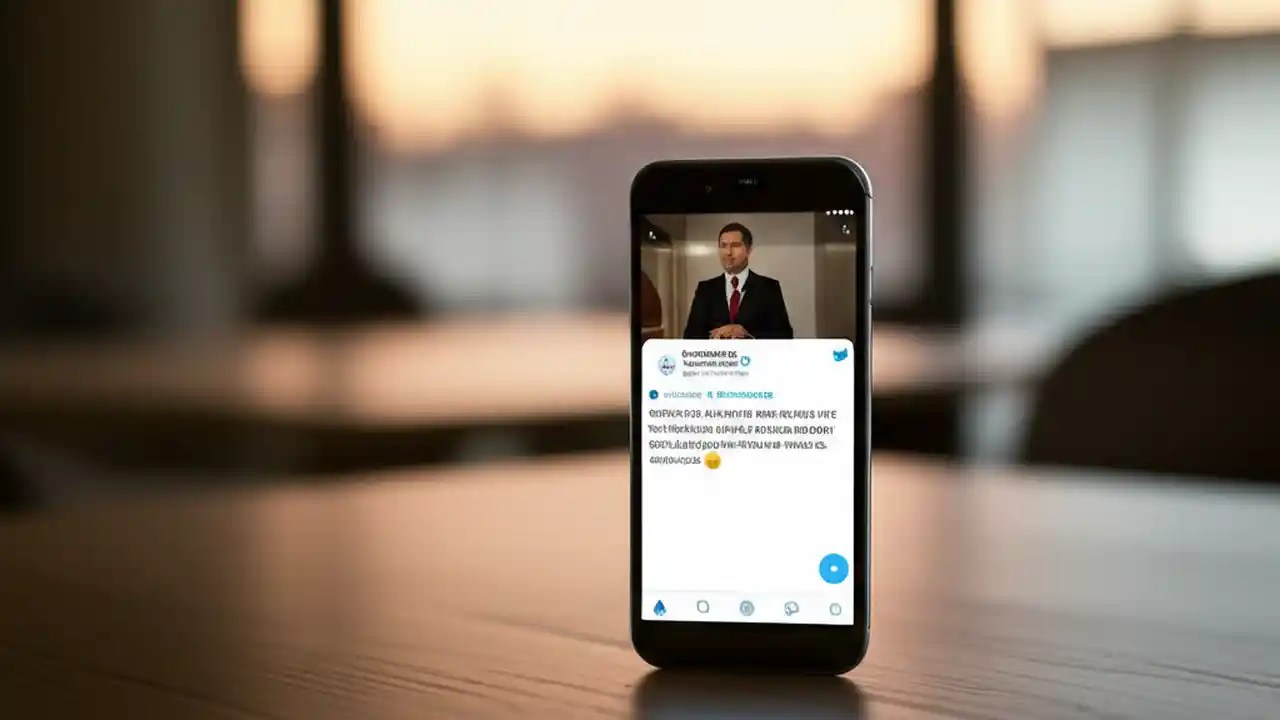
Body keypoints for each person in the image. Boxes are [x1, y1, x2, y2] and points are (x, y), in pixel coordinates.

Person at [682, 222, 793, 340]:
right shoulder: (705, 289)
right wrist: (717, 336)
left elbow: (785, 336)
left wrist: (747, 335)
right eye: (723, 246)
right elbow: (690, 337)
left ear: (748, 250)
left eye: (735, 245)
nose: (728, 252)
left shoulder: (769, 287)